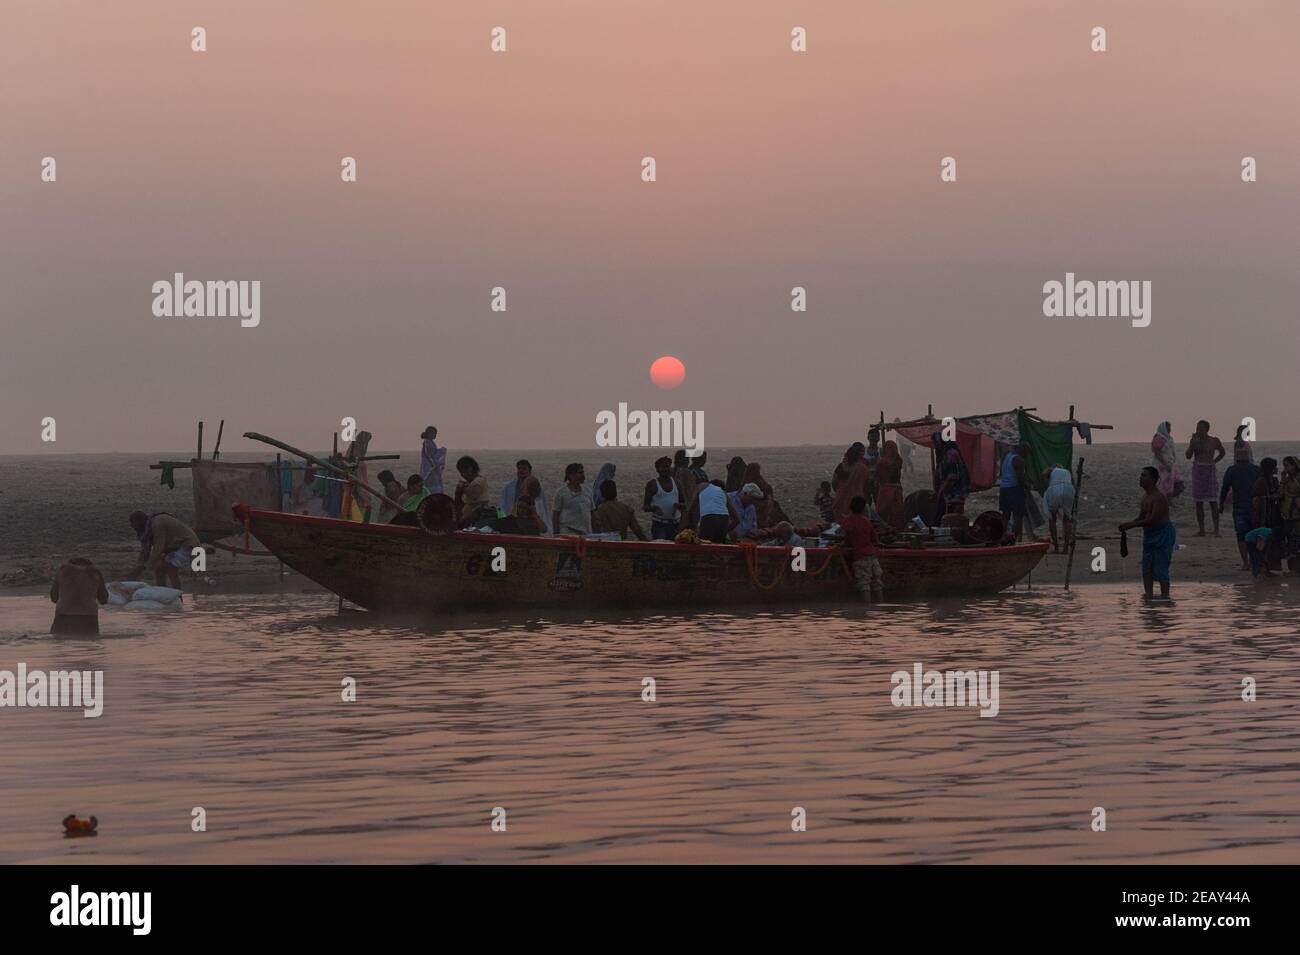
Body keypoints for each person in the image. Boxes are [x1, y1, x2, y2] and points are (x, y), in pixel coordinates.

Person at [1118, 466, 1175, 598]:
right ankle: (1148, 597)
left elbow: (1152, 520)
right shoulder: (1145, 497)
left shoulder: (1159, 498)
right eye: (1141, 475)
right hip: (1149, 536)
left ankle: (1165, 598)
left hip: (1163, 535)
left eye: (1144, 476)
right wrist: (1128, 525)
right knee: (1147, 567)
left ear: (1153, 479)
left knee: (1161, 568)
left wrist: (1131, 525)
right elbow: (1141, 518)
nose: (1140, 478)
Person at [128, 511, 200, 589]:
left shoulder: (158, 524)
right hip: (175, 547)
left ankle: (178, 597)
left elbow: (159, 549)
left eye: (133, 522)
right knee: (159, 569)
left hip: (188, 544)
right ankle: (162, 593)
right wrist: (138, 567)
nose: (131, 526)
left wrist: (144, 567)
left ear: (141, 521)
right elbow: (145, 551)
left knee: (171, 568)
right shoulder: (146, 530)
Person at [1218, 446, 1261, 571]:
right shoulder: (1256, 470)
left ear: (1236, 458)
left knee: (1241, 536)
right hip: (1254, 507)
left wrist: (1221, 504)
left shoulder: (1232, 470)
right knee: (1255, 534)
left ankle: (1246, 563)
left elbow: (1225, 488)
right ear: (1248, 457)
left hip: (1239, 507)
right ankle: (1255, 561)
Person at [1185, 420, 1226, 536]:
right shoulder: (1195, 442)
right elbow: (1188, 456)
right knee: (1199, 502)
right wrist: (1192, 443)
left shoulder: (1214, 441)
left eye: (1200, 429)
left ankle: (1216, 530)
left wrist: (1214, 461)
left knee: (1213, 501)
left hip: (1209, 471)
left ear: (1206, 430)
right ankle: (1201, 529)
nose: (1198, 431)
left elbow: (1222, 452)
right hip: (1198, 470)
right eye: (1197, 428)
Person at [49, 557, 109, 635]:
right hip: (89, 616)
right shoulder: (96, 573)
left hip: (64, 615)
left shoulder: (62, 571)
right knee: (90, 642)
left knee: (59, 640)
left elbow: (54, 597)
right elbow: (104, 600)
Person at [840, 495, 883, 603]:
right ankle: (881, 606)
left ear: (850, 507)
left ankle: (866, 608)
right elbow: (874, 539)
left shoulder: (847, 521)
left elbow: (847, 539)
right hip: (873, 556)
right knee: (877, 583)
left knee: (864, 585)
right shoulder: (866, 521)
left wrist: (842, 545)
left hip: (860, 557)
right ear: (864, 509)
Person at [1250, 457, 1282, 577]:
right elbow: (1256, 499)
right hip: (1263, 517)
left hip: (1271, 517)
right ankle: (1261, 568)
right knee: (1262, 542)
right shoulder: (1261, 481)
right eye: (1275, 466)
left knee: (1269, 543)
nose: (1277, 469)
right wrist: (1271, 498)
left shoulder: (1273, 480)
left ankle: (1267, 568)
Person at [501, 460, 551, 531]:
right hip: (512, 519)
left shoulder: (535, 486)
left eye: (524, 468)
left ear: (529, 471)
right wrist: (501, 520)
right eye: (519, 468)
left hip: (530, 519)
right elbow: (503, 505)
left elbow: (541, 506)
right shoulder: (508, 486)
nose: (521, 470)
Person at [998, 443, 1032, 542]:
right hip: (1014, 489)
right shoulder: (1018, 460)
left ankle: (1002, 536)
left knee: (1005, 515)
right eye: (1027, 453)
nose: (1027, 456)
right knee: (1018, 515)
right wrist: (1028, 486)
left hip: (1004, 488)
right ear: (1023, 451)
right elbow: (1020, 478)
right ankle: (1014, 538)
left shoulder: (1006, 456)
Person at [643, 456, 683, 540]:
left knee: (674, 550)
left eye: (668, 466)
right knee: (660, 548)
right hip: (659, 524)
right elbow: (645, 507)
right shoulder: (652, 484)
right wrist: (654, 508)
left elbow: (685, 504)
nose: (666, 469)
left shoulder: (677, 483)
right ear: (657, 469)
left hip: (675, 524)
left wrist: (678, 505)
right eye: (663, 467)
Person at [832, 442, 870, 524]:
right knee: (857, 523)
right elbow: (866, 485)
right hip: (857, 500)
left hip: (840, 499)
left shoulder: (841, 467)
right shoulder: (863, 468)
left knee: (841, 524)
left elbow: (834, 483)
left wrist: (842, 491)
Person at [1042, 464, 1075, 554]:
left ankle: (1056, 547)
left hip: (1055, 490)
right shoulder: (1066, 472)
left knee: (1052, 518)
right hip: (1069, 489)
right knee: (1067, 518)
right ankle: (1065, 548)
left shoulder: (1052, 469)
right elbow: (1072, 483)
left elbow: (1044, 475)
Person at [552, 463, 591, 536]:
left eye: (583, 472)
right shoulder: (561, 493)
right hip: (567, 534)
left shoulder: (587, 491)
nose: (583, 475)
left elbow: (593, 514)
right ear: (571, 475)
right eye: (580, 473)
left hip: (586, 534)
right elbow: (555, 516)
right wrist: (556, 535)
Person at [875, 441, 905, 530]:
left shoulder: (882, 462)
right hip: (897, 488)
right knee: (896, 512)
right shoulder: (899, 460)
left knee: (883, 512)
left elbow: (878, 476)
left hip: (885, 489)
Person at [453, 456, 491, 527]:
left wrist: (461, 489)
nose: (462, 475)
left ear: (470, 470)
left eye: (462, 472)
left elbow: (471, 498)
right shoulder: (477, 480)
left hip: (473, 519)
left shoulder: (477, 483)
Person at [1151, 422, 1182, 501]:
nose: (1170, 430)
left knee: (1171, 483)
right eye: (1168, 428)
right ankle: (1162, 500)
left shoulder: (1169, 438)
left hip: (1169, 464)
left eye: (1170, 428)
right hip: (1161, 465)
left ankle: (1168, 500)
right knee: (1161, 483)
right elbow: (1157, 453)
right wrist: (1165, 464)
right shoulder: (1159, 438)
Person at [936, 446, 971, 517]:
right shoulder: (957, 456)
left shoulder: (950, 457)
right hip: (958, 496)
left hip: (953, 497)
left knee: (950, 519)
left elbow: (952, 478)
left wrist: (940, 492)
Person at [1280, 456, 1300, 575]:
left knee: (1297, 539)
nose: (1286, 468)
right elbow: (1281, 493)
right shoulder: (1287, 479)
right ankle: (1292, 569)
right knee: (1289, 541)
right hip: (1287, 513)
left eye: (1287, 465)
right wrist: (1282, 478)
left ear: (1294, 465)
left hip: (1297, 513)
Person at [419, 426, 446, 494]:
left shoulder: (430, 442)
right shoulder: (427, 442)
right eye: (434, 434)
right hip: (429, 469)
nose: (435, 435)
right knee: (431, 486)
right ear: (429, 434)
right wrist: (442, 452)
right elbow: (430, 455)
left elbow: (433, 453)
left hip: (432, 468)